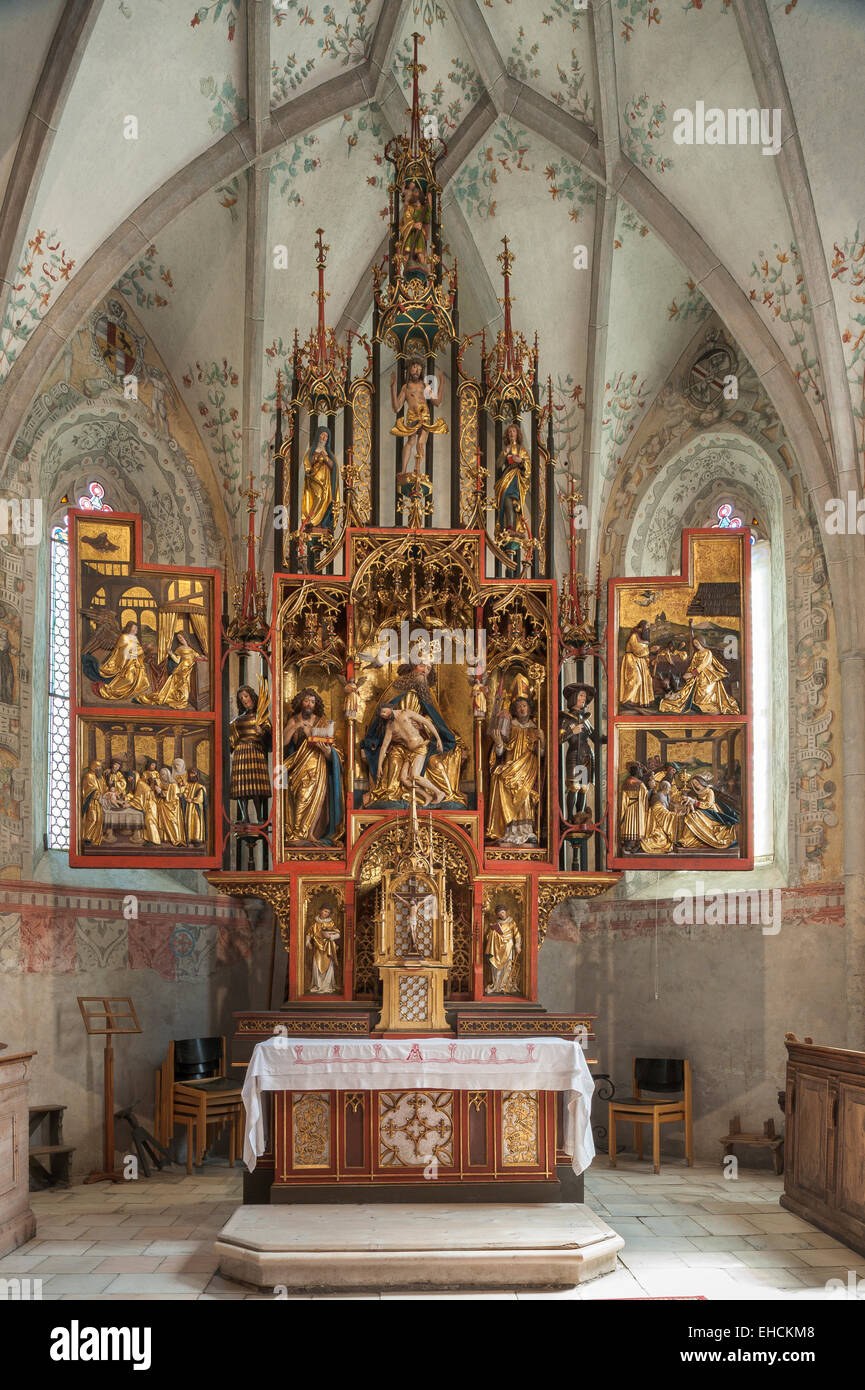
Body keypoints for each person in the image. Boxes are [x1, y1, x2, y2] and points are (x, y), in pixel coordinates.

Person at [282, 686, 344, 844]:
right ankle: (297, 832)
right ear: (300, 702)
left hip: (318, 765)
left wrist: (328, 752)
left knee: (314, 797)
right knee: (300, 797)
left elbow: (331, 745)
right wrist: (296, 726)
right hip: (298, 765)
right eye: (306, 701)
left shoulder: (321, 720)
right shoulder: (293, 719)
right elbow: (283, 742)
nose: (309, 704)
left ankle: (309, 833)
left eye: (312, 701)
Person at [487, 692, 543, 845]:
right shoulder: (509, 726)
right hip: (511, 767)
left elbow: (542, 754)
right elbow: (500, 753)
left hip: (528, 768)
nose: (522, 709)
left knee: (525, 798)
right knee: (504, 787)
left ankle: (527, 831)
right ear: (515, 710)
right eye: (519, 707)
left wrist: (542, 739)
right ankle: (509, 831)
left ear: (530, 709)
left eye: (524, 706)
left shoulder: (535, 729)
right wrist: (498, 743)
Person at [390, 357, 447, 477]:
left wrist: (442, 383)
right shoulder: (405, 388)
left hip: (424, 416)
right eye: (415, 367)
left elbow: (436, 402)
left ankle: (417, 469)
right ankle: (403, 470)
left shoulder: (424, 385)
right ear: (410, 368)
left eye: (420, 369)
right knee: (410, 441)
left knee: (421, 443)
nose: (417, 371)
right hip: (412, 416)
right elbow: (396, 408)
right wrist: (392, 387)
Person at [659, 636, 740, 714]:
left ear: (702, 642)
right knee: (688, 690)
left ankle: (703, 704)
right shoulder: (696, 653)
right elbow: (692, 665)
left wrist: (692, 674)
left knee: (703, 690)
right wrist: (688, 672)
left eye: (697, 643)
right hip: (696, 674)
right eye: (694, 644)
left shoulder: (707, 652)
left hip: (707, 675)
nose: (696, 645)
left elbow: (703, 664)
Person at [141, 632, 205, 708]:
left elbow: (197, 656)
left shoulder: (191, 649)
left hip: (192, 666)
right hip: (183, 667)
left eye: (181, 637)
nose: (180, 640)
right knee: (183, 682)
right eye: (178, 638)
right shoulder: (179, 649)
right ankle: (182, 698)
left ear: (185, 638)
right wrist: (171, 654)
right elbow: (177, 661)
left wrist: (203, 657)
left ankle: (186, 697)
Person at [93, 620, 152, 702]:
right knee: (129, 679)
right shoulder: (124, 637)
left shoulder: (135, 638)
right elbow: (120, 651)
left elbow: (137, 650)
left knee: (144, 682)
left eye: (136, 628)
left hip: (135, 662)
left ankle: (132, 689)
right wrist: (137, 652)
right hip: (125, 662)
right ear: (129, 628)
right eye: (134, 628)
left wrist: (143, 650)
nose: (136, 630)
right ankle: (112, 691)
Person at [484, 905, 522, 995]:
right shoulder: (497, 923)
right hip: (497, 949)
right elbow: (488, 937)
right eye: (499, 914)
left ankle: (505, 986)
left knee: (507, 966)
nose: (501, 915)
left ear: (506, 912)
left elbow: (517, 934)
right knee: (495, 967)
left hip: (508, 947)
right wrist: (492, 932)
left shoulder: (511, 922)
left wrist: (517, 945)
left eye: (502, 912)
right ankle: (497, 985)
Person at [306, 905, 340, 994]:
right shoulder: (315, 925)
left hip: (328, 947)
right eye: (325, 911)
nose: (326, 913)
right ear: (321, 911)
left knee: (329, 966)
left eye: (328, 912)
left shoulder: (330, 923)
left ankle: (327, 986)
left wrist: (331, 936)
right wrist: (308, 942)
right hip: (318, 948)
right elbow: (309, 934)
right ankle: (318, 985)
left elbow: (338, 934)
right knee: (316, 966)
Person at [619, 621, 653, 708]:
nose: (648, 628)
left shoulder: (642, 637)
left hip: (640, 661)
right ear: (642, 626)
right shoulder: (634, 636)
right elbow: (638, 651)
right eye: (647, 626)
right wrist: (650, 650)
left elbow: (643, 652)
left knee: (648, 678)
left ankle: (638, 701)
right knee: (636, 680)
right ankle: (626, 700)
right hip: (631, 659)